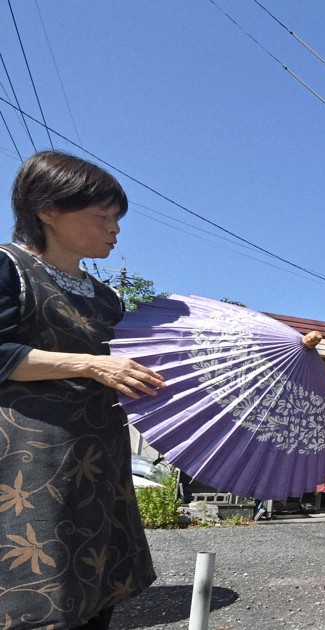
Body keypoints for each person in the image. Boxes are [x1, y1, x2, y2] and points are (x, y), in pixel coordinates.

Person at [0, 151, 163, 628]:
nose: (115, 229)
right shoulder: (9, 268)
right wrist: (89, 364)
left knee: (94, 596)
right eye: (104, 217)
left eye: (117, 219)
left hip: (97, 469)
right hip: (28, 466)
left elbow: (130, 367)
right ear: (47, 210)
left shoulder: (106, 296)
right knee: (33, 597)